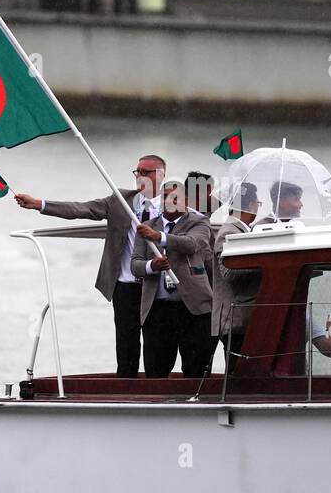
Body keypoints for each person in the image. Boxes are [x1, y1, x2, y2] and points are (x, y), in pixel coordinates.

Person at [13, 154, 166, 378]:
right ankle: (125, 394)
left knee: (156, 345)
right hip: (124, 284)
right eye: (137, 172)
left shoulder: (175, 204)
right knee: (126, 345)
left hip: (157, 286)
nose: (140, 177)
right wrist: (39, 204)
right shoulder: (121, 200)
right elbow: (80, 209)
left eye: (146, 172)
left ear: (161, 175)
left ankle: (157, 391)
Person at [132, 181, 214, 378]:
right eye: (166, 196)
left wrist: (160, 237)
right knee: (156, 369)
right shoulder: (147, 227)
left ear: (186, 201)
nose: (170, 201)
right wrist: (152, 266)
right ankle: (157, 405)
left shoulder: (198, 222)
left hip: (192, 308)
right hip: (158, 308)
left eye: (175, 197)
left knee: (195, 369)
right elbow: (134, 265)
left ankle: (196, 405)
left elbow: (193, 244)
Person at [211, 181, 260, 370]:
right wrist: (262, 264)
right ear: (249, 205)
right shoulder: (229, 232)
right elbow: (228, 272)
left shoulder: (243, 231)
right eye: (257, 203)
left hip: (243, 316)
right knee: (236, 371)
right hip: (234, 317)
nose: (258, 208)